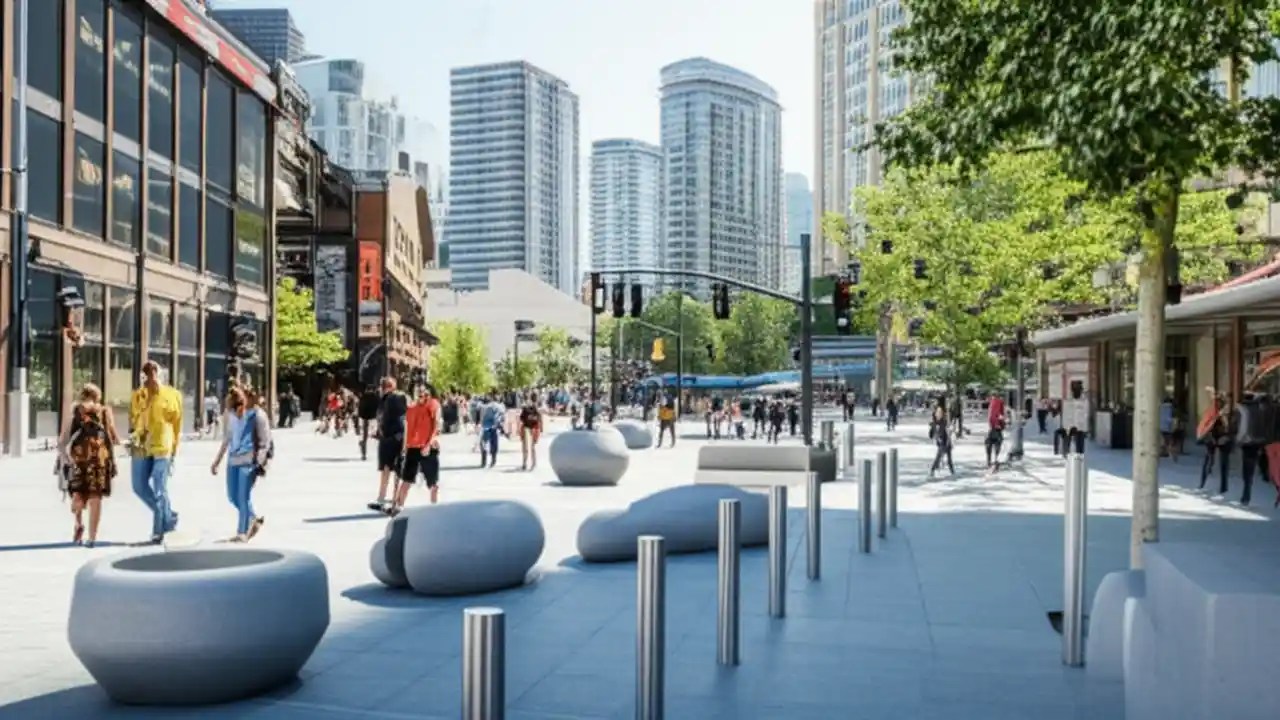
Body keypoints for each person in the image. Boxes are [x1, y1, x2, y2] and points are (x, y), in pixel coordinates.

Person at [57, 384, 119, 548]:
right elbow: (112, 439)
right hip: (99, 462)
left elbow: (62, 440)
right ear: (98, 396)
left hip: (77, 461)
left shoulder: (74, 413)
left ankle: (78, 523)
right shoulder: (104, 412)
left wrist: (65, 460)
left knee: (78, 495)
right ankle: (92, 538)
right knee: (95, 498)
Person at [129, 361, 183, 544]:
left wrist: (174, 450)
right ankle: (168, 516)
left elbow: (177, 424)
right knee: (138, 486)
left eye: (151, 376)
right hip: (141, 445)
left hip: (162, 446)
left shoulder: (172, 395)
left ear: (158, 375)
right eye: (144, 376)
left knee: (160, 489)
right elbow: (135, 420)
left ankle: (159, 530)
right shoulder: (138, 396)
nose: (148, 380)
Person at [210, 388, 270, 542]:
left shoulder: (256, 415)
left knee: (243, 497)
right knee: (232, 497)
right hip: (232, 460)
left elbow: (265, 442)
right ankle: (253, 519)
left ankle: (242, 532)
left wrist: (259, 462)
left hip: (248, 461)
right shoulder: (229, 416)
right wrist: (217, 461)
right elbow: (227, 440)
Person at [393, 383, 443, 513]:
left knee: (433, 483)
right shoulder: (411, 408)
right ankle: (399, 507)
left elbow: (436, 426)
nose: (420, 393)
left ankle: (434, 509)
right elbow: (407, 428)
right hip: (413, 447)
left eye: (422, 390)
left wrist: (429, 444)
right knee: (406, 480)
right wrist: (404, 447)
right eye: (417, 391)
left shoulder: (433, 404)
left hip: (428, 447)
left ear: (427, 392)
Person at [367, 377, 408, 512]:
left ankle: (393, 500)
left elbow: (403, 420)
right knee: (386, 468)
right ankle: (382, 498)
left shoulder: (397, 398)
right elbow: (382, 418)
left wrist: (403, 440)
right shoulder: (384, 400)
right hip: (387, 438)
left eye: (383, 386)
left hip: (394, 438)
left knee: (396, 469)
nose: (381, 389)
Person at [479, 393, 506, 468]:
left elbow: (482, 417)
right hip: (495, 427)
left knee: (484, 443)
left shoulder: (485, 407)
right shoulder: (500, 407)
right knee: (494, 443)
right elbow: (502, 418)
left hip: (486, 427)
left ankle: (484, 461)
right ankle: (493, 460)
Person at [930, 399, 955, 479]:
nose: (939, 414)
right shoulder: (935, 423)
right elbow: (933, 433)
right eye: (938, 413)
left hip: (946, 442)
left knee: (948, 458)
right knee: (939, 457)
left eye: (940, 413)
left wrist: (950, 430)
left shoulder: (943, 422)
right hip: (941, 442)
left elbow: (948, 429)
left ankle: (952, 472)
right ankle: (933, 470)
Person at [518, 392, 543, 471]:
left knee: (526, 446)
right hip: (534, 427)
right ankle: (532, 463)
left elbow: (521, 418)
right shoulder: (538, 407)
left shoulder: (526, 406)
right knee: (532, 447)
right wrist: (541, 428)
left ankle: (525, 463)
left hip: (526, 427)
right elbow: (539, 419)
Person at [357, 385, 380, 461]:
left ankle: (363, 452)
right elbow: (379, 407)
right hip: (371, 418)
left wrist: (360, 416)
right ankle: (363, 452)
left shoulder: (363, 397)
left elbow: (360, 408)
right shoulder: (376, 397)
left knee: (365, 437)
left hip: (365, 418)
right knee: (370, 435)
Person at [1159, 396, 1178, 461]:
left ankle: (1164, 452)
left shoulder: (1161, 407)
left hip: (1161, 426)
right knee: (1170, 441)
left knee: (1165, 440)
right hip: (1168, 427)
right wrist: (1174, 423)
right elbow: (1171, 419)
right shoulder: (1170, 408)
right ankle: (1172, 455)